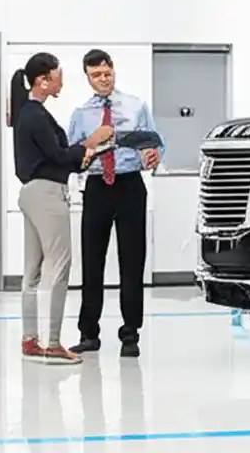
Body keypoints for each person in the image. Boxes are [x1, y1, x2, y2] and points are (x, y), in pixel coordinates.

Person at [10, 52, 113, 364]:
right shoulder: (36, 115)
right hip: (46, 194)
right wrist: (91, 142)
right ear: (44, 80)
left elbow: (58, 157)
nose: (62, 80)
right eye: (58, 75)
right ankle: (53, 342)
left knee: (33, 272)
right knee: (60, 265)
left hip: (30, 193)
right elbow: (57, 154)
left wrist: (83, 154)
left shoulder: (28, 113)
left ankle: (30, 339)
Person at [66, 49, 164, 358]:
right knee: (92, 262)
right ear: (88, 78)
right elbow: (72, 157)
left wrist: (155, 155)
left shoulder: (136, 106)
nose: (103, 79)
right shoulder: (81, 114)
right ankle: (88, 332)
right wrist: (91, 142)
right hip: (97, 187)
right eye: (96, 75)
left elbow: (156, 143)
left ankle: (130, 333)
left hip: (130, 184)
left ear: (114, 71)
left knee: (132, 261)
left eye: (107, 73)